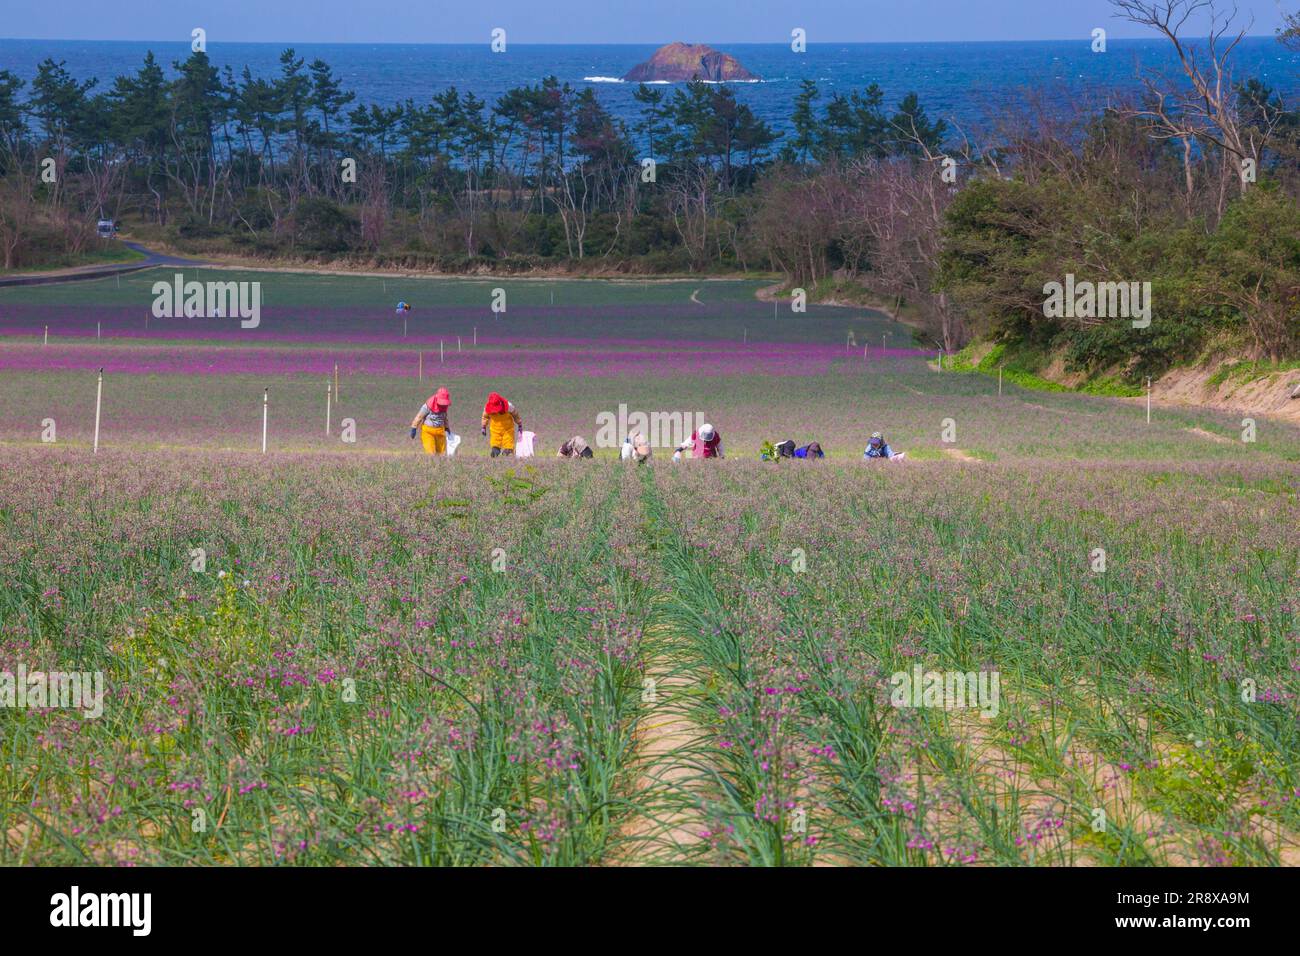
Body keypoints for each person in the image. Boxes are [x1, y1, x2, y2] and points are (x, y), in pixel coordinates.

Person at [409, 386, 451, 455]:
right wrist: (414, 428)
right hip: (428, 432)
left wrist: (447, 428)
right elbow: (419, 416)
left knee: (442, 454)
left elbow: (445, 417)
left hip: (440, 431)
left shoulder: (445, 406)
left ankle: (440, 465)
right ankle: (431, 464)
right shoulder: (427, 406)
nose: (443, 404)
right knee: (431, 453)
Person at [481, 392, 522, 457]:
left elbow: (515, 415)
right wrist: (483, 427)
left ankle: (508, 453)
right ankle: (495, 452)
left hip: (508, 429)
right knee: (495, 447)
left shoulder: (509, 405)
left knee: (508, 447)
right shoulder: (487, 408)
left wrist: (519, 424)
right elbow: (485, 417)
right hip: (495, 430)